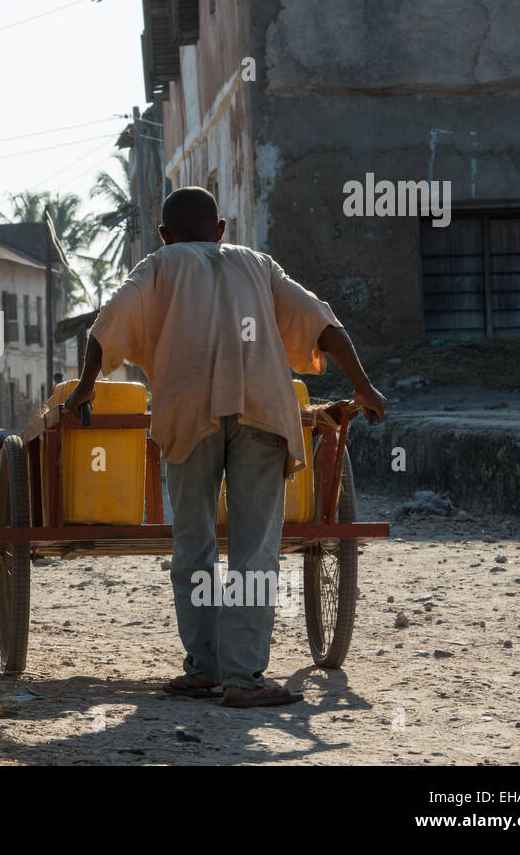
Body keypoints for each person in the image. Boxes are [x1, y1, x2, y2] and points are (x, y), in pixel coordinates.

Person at [64, 187, 387, 709]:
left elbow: (107, 323)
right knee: (254, 547)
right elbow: (322, 324)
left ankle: (203, 669)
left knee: (192, 543)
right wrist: (364, 386)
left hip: (189, 414)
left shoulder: (158, 265)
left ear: (165, 234)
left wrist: (85, 385)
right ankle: (243, 679)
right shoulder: (257, 265)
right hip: (261, 410)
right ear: (220, 230)